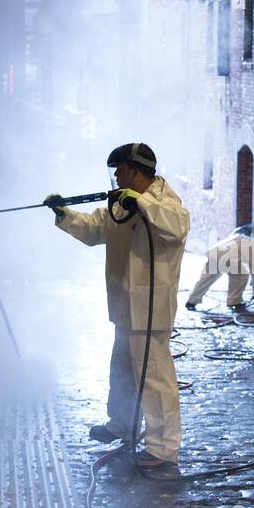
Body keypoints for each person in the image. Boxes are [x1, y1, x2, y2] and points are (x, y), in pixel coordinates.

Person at [44, 143, 190, 470]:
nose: (116, 176)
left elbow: (177, 225)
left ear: (135, 169)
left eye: (120, 170)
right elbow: (96, 228)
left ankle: (164, 447)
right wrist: (64, 214)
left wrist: (139, 202)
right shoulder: (121, 204)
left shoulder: (165, 202)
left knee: (155, 379)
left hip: (151, 309)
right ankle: (122, 423)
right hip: (126, 308)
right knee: (122, 370)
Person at [185, 223, 254, 311]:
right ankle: (234, 301)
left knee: (206, 279)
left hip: (214, 252)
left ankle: (191, 301)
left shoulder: (238, 237)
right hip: (227, 255)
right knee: (241, 275)